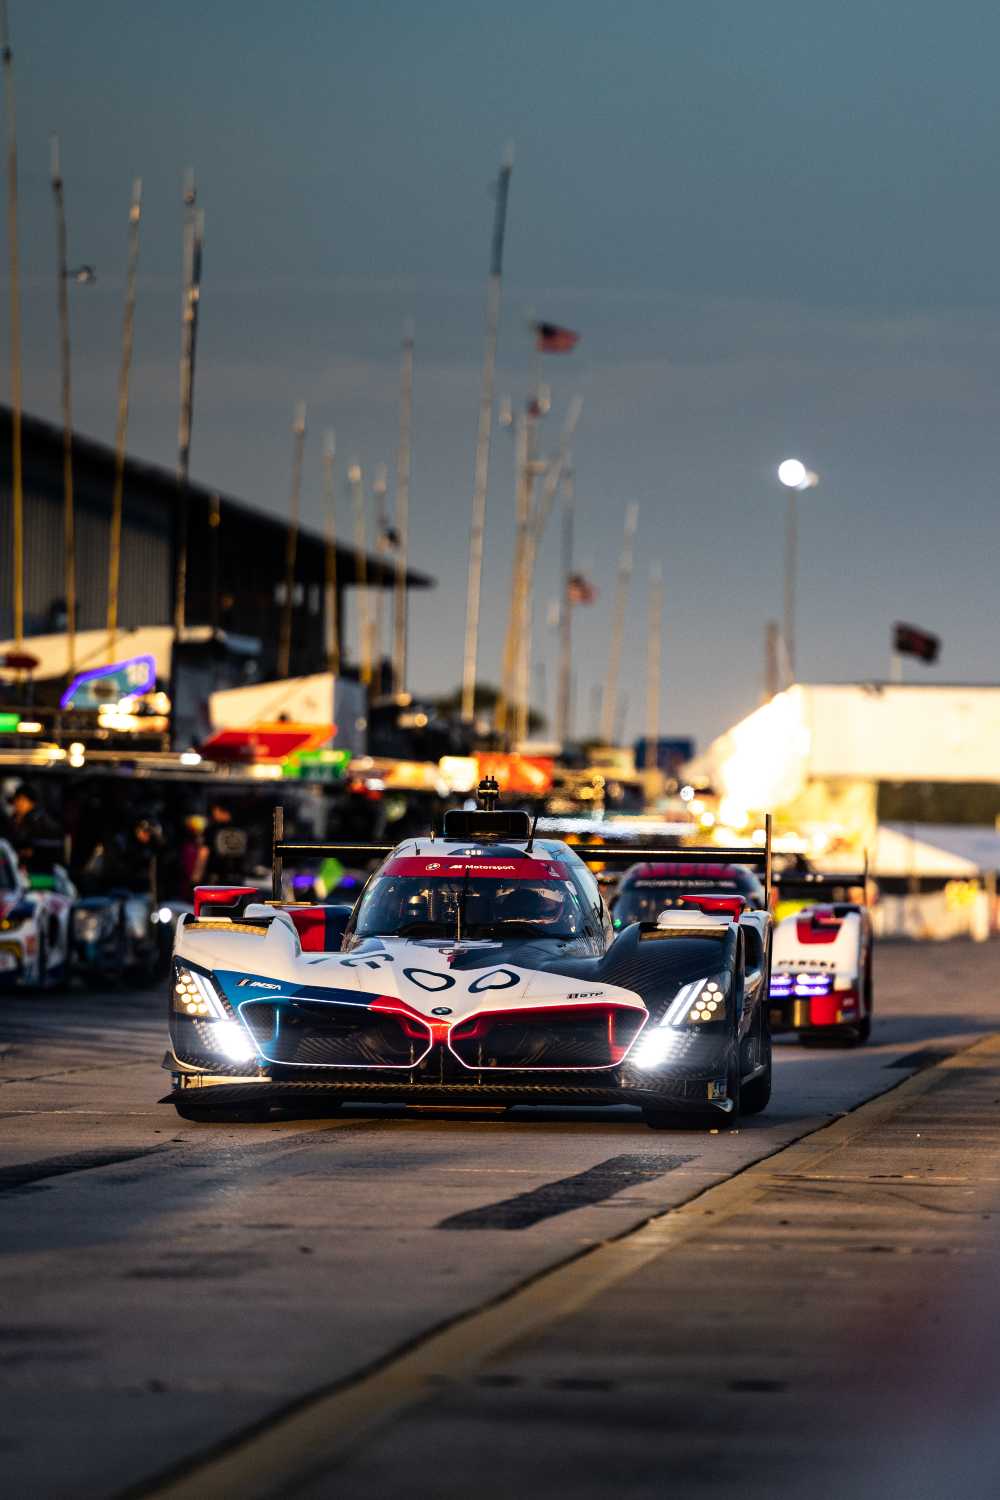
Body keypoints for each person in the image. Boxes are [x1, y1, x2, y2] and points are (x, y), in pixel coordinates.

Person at [2, 782, 59, 871]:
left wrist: (29, 851)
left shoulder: (41, 821)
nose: (18, 804)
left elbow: (47, 846)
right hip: (14, 867)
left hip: (36, 869)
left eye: (22, 800)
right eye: (16, 800)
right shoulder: (13, 819)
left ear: (32, 802)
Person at [202, 800, 249, 884]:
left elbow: (205, 851)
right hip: (234, 875)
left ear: (220, 810)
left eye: (215, 811)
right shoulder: (242, 828)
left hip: (219, 874)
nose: (214, 815)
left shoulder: (213, 829)